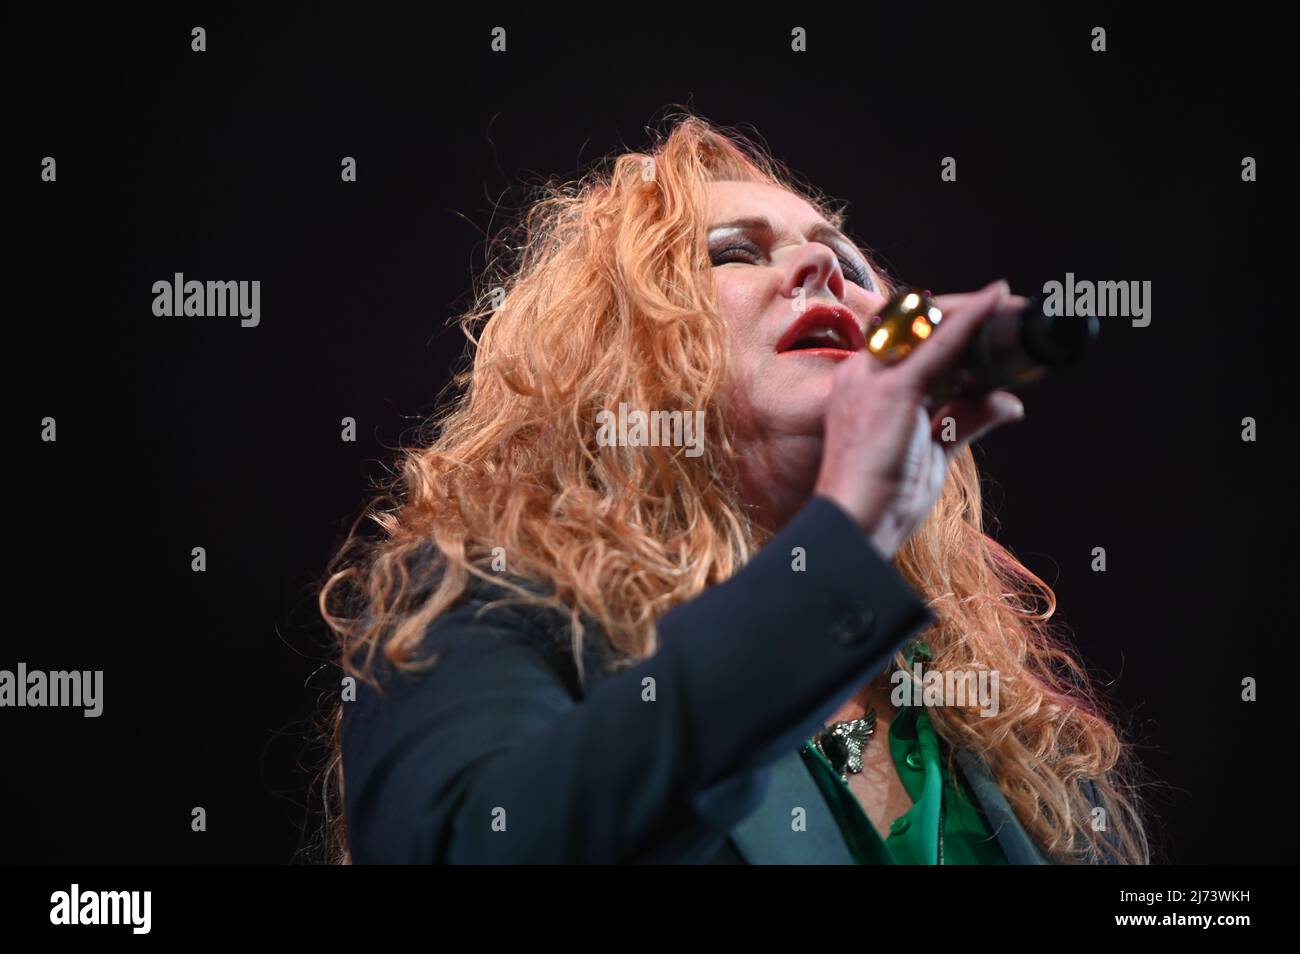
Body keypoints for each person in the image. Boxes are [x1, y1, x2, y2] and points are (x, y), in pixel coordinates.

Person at [315, 112, 1150, 864]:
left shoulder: (989, 703)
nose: (822, 263)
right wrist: (847, 539)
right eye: (736, 252)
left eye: (850, 261)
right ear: (615, 353)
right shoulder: (493, 599)